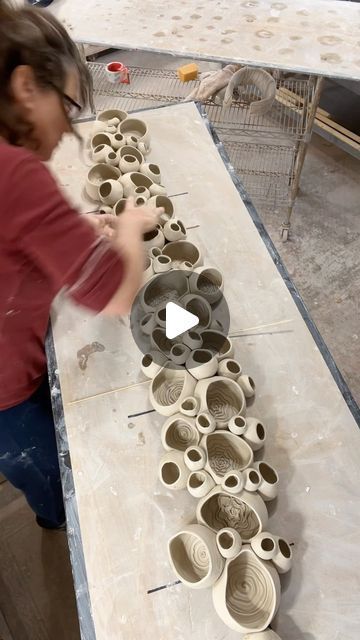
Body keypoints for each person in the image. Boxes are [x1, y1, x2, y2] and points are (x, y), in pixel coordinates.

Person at [0, 1, 162, 530]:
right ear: (26, 86)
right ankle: (59, 523)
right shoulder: (15, 170)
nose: (68, 130)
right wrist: (134, 228)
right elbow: (115, 295)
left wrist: (65, 233)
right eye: (66, 106)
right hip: (5, 390)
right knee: (51, 468)